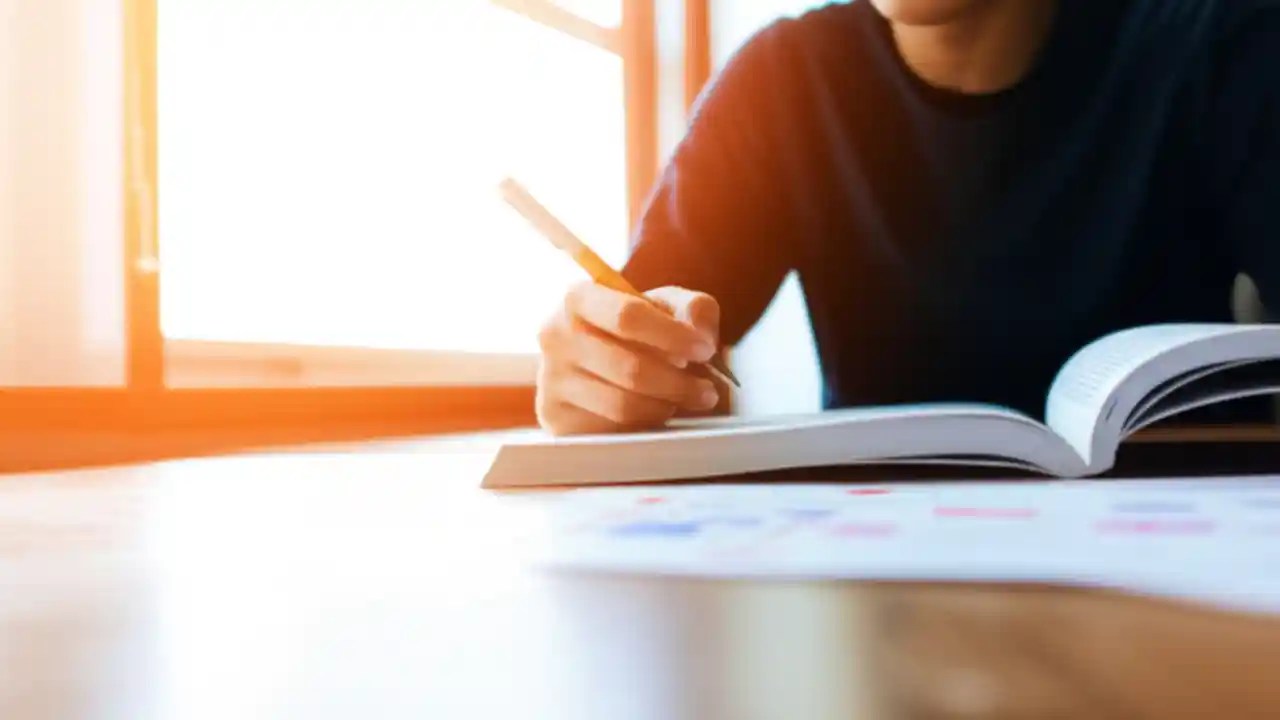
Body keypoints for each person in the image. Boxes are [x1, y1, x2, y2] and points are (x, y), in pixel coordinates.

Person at [535, 0, 1280, 436]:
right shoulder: (783, 80)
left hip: (1184, 552)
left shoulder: (1219, 44)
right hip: (880, 573)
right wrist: (604, 373)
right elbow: (649, 338)